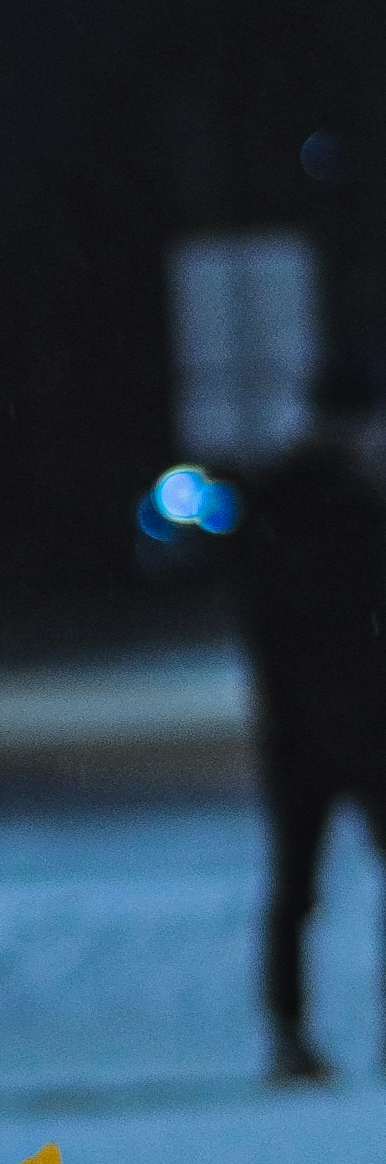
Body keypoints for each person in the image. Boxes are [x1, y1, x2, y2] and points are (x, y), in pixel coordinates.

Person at [233, 363, 386, 1079]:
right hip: (369, 721)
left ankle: (287, 1034)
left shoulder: (272, 499)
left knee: (294, 884)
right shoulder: (363, 502)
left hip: (293, 722)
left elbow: (257, 616)